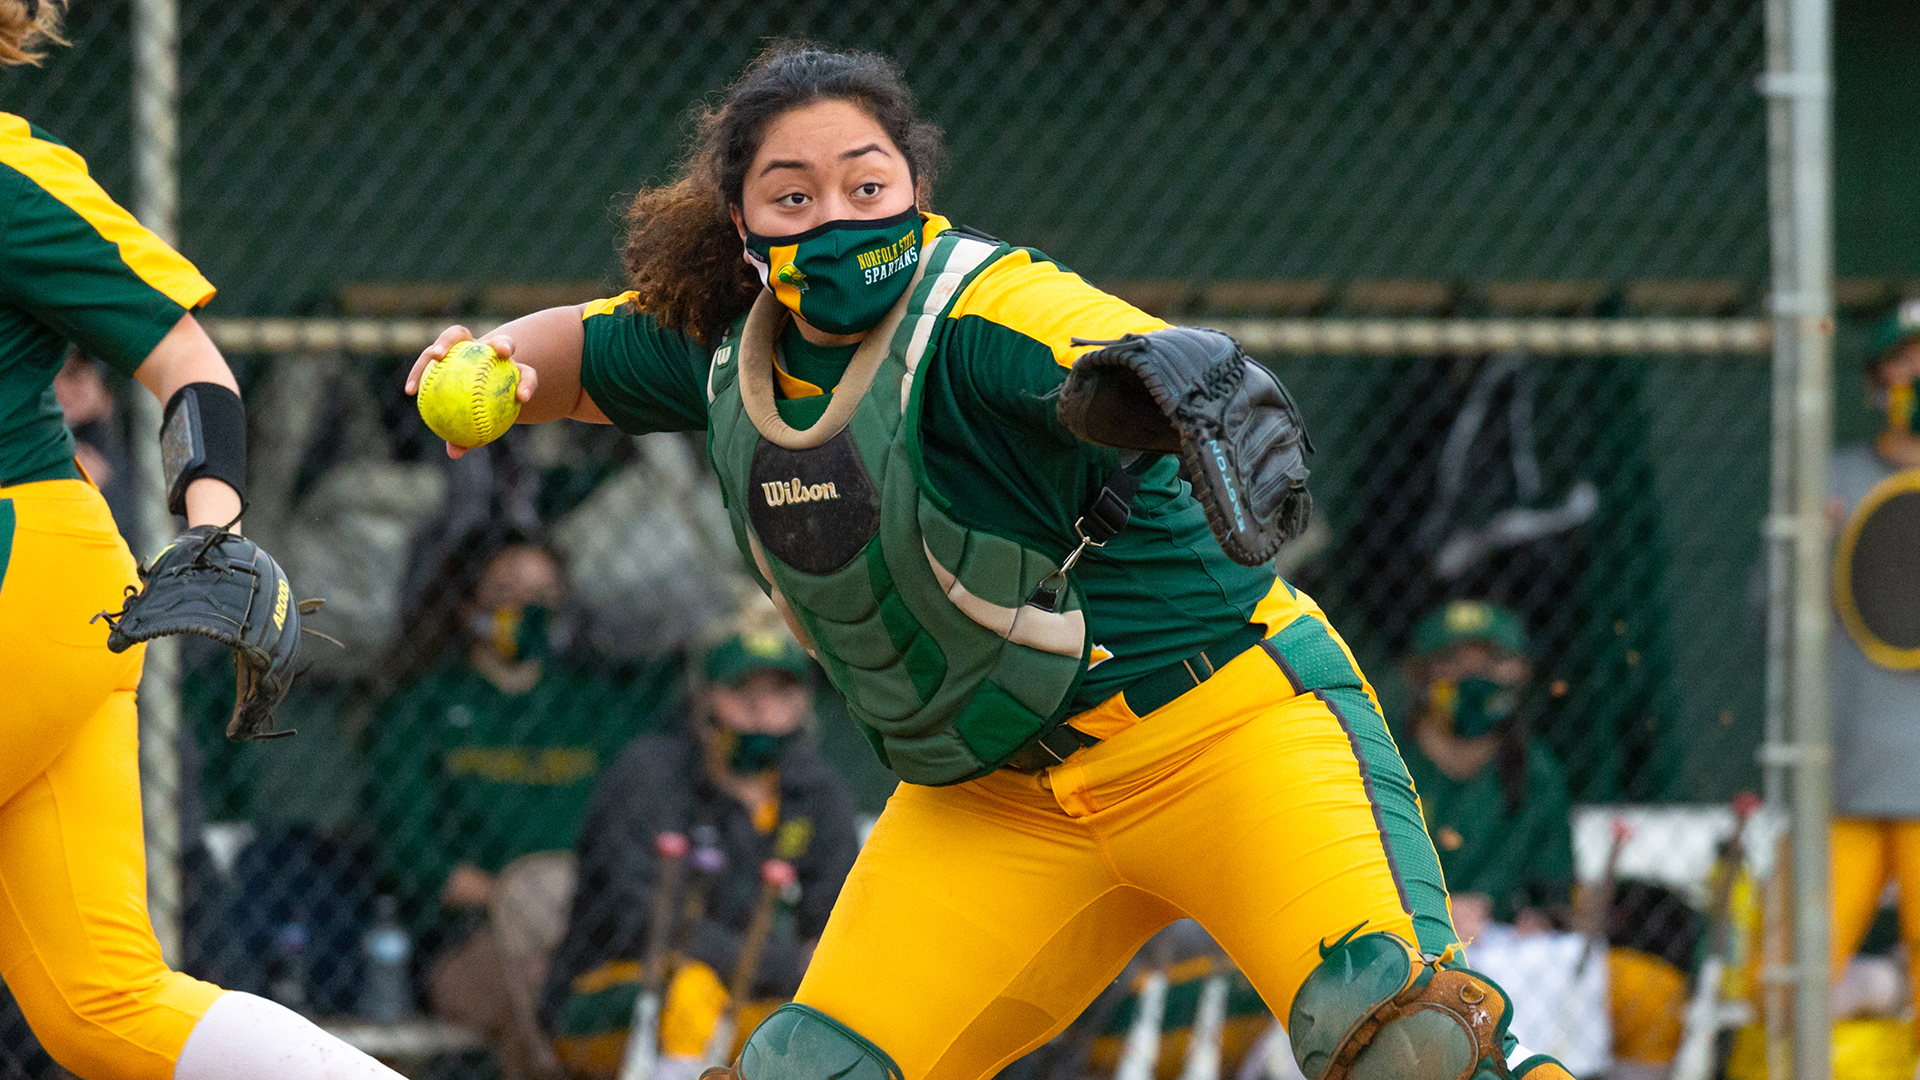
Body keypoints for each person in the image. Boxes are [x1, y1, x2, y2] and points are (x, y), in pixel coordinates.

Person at [403, 42, 1577, 1080]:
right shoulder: (727, 346)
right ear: (740, 220)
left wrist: (1166, 385)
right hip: (995, 801)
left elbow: (1101, 350)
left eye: (868, 183)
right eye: (794, 193)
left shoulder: (976, 310)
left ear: (916, 187)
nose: (836, 216)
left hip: (1223, 735)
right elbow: (575, 353)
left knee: (1408, 1046)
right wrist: (487, 364)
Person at [0, 3, 410, 1078]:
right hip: (46, 591)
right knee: (102, 1004)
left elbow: (188, 361)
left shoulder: (7, 173)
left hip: (23, 571)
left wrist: (211, 527)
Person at [368, 529, 659, 1064]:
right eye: (506, 592)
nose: (525, 609)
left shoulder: (594, 709)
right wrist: (512, 900)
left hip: (592, 926)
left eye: (543, 599)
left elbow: (637, 833)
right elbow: (405, 851)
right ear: (467, 606)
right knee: (538, 982)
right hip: (472, 937)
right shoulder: (423, 709)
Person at [543, 616, 861, 1079]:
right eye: (743, 694)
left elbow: (835, 923)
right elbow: (648, 924)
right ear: (703, 700)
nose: (762, 713)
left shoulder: (815, 792)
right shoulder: (650, 776)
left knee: (833, 1022)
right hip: (621, 994)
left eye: (780, 695)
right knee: (691, 993)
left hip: (755, 995)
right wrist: (787, 962)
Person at [1823, 300, 1920, 1049]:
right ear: (1875, 378)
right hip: (1842, 781)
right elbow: (1768, 618)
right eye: (1904, 358)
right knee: (1781, 983)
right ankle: (1886, 984)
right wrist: (1809, 546)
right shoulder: (1826, 482)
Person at [1397, 600, 1573, 935]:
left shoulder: (1536, 772)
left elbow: (1554, 893)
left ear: (1522, 671)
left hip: (1501, 954)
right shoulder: (1380, 760)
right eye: (1452, 660)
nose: (1473, 678)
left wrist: (1535, 919)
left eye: (1492, 661)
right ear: (1419, 673)